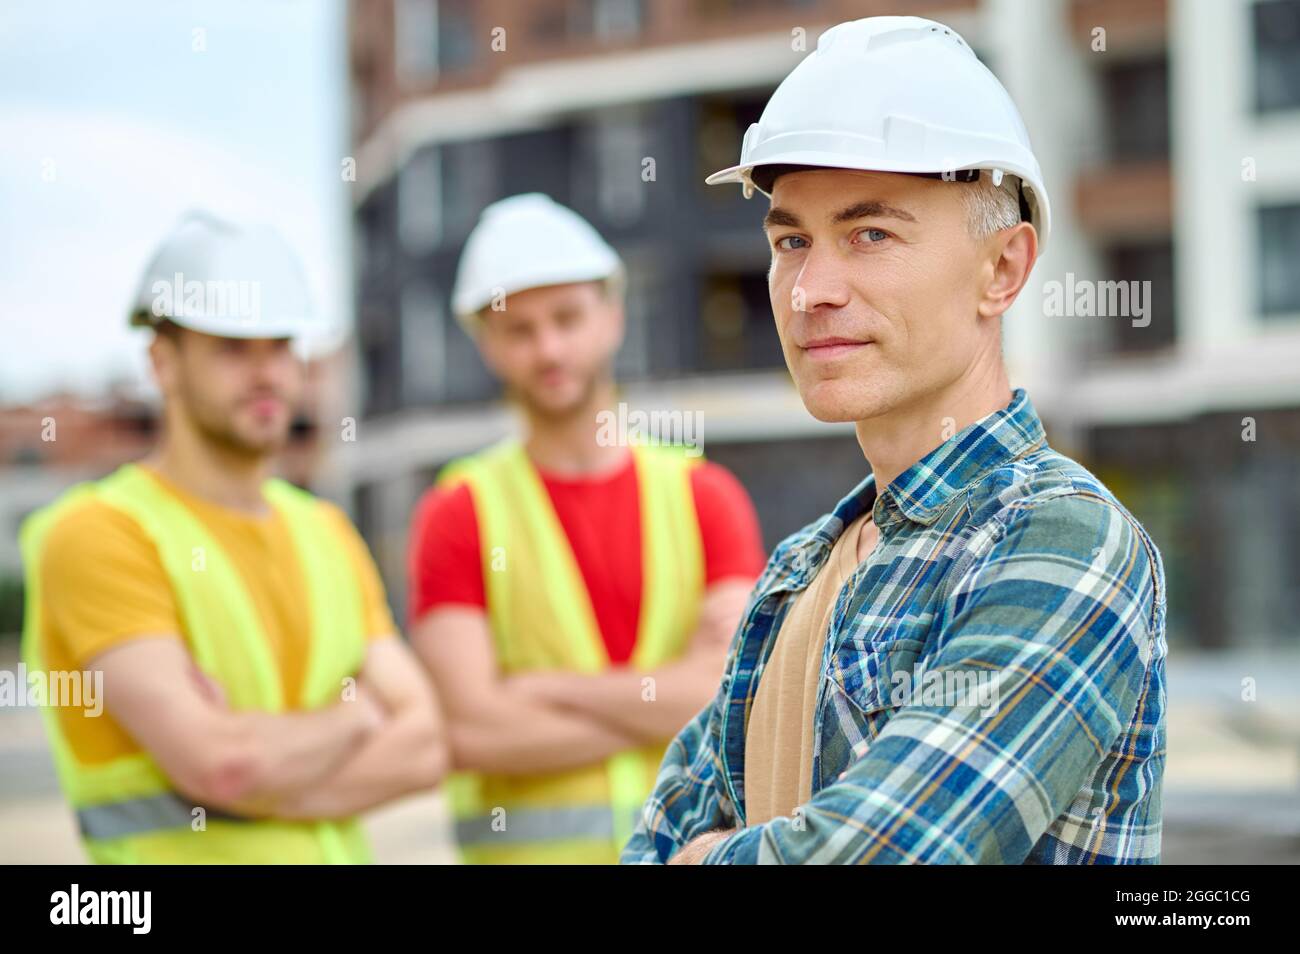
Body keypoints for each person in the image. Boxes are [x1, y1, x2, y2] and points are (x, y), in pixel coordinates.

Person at [623, 16, 1168, 865]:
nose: (811, 290)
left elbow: (886, 855)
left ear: (1004, 269)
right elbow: (652, 842)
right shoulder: (802, 567)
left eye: (870, 234)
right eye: (791, 240)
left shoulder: (1065, 542)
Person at [20, 212, 447, 863]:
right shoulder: (98, 534)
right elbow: (223, 767)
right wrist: (355, 716)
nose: (267, 372)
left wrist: (264, 767)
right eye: (231, 347)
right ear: (162, 362)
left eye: (280, 344)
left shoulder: (324, 531)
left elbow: (426, 745)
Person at [408, 193, 766, 863]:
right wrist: (660, 701)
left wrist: (543, 690)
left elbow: (732, 697)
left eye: (567, 318)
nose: (548, 348)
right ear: (487, 342)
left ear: (613, 314)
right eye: (520, 329)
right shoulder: (458, 511)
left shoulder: (703, 496)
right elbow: (471, 729)